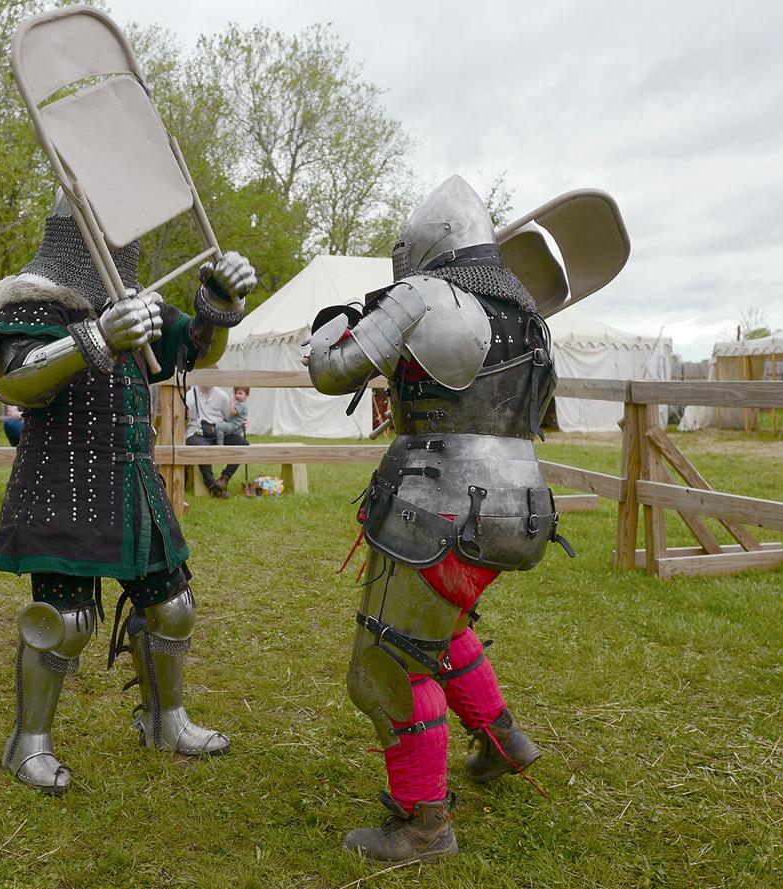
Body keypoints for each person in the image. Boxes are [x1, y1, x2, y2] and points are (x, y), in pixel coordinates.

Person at [307, 175, 616, 863]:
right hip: (521, 505)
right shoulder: (528, 313)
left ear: (425, 246)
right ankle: (505, 742)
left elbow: (332, 369)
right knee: (437, 630)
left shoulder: (419, 295)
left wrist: (332, 321)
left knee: (384, 664)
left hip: (433, 505)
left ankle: (422, 826)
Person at [0, 190, 255, 795]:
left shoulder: (133, 304)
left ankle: (166, 719)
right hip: (64, 479)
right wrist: (94, 337)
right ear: (74, 236)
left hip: (131, 476)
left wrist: (222, 300)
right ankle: (30, 742)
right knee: (65, 620)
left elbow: (194, 349)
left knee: (172, 606)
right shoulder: (33, 304)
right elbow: (11, 379)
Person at [184, 384, 248, 498]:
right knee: (203, 448)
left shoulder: (222, 395)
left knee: (243, 444)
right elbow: (184, 419)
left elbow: (229, 419)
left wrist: (241, 423)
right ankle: (212, 486)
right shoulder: (189, 395)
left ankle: (224, 479)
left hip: (219, 433)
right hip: (197, 433)